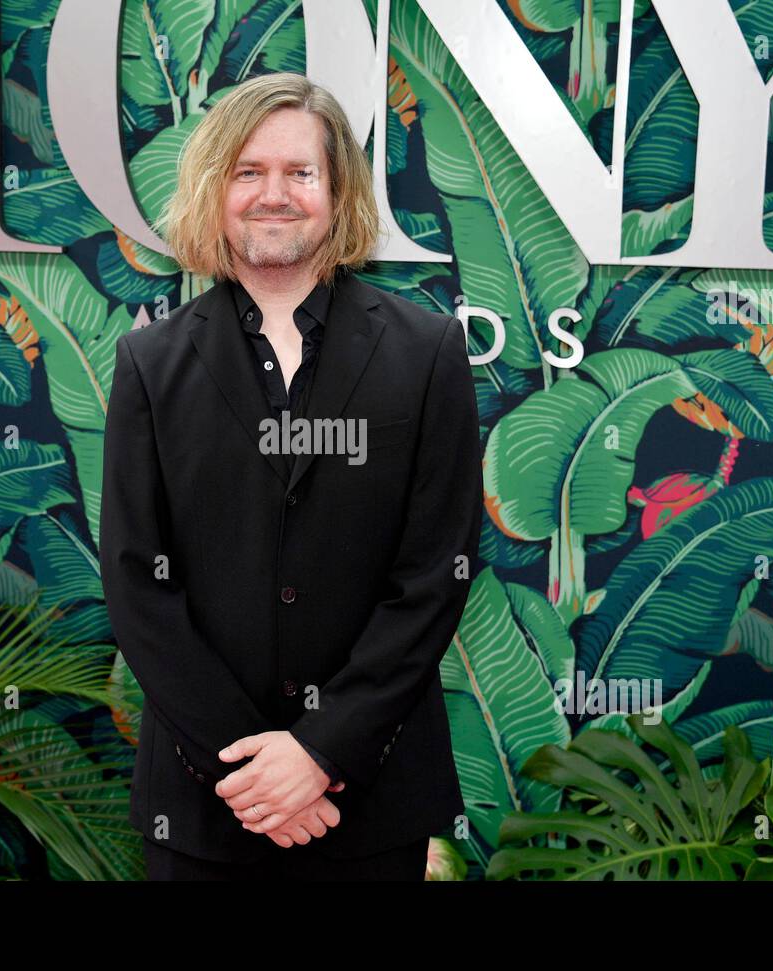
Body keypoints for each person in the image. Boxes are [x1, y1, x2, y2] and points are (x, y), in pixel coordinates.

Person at [99, 71, 482, 881]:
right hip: (203, 809)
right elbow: (139, 586)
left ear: (337, 195)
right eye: (249, 172)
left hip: (370, 800)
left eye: (300, 173)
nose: (274, 194)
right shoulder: (149, 364)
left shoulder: (427, 355)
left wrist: (321, 749)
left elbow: (432, 578)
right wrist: (253, 773)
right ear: (216, 190)